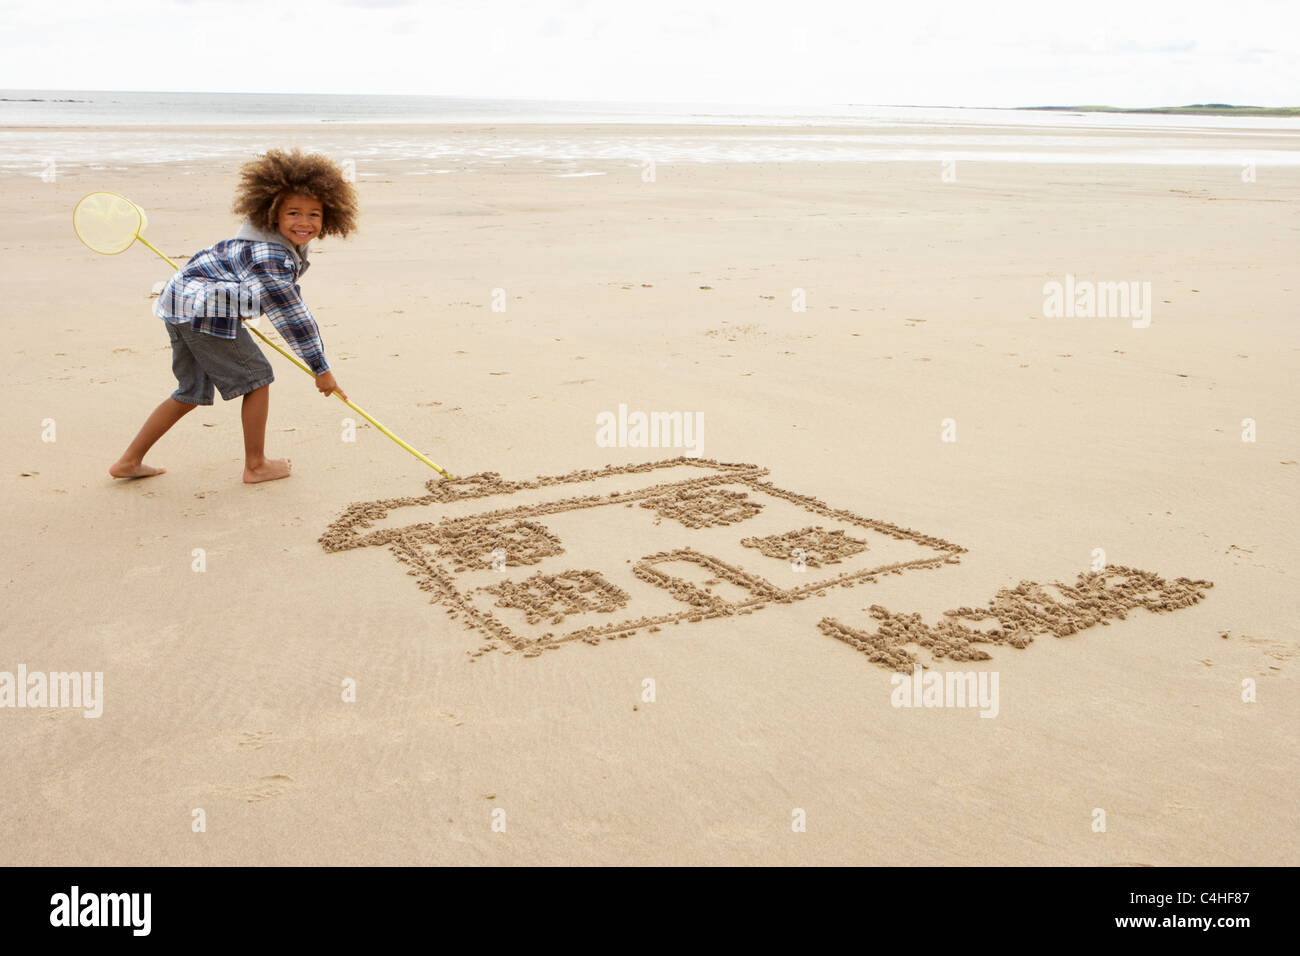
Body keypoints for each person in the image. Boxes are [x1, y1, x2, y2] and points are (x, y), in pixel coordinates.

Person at [109, 148, 357, 483]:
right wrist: (321, 369)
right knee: (258, 378)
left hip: (179, 303)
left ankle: (129, 461)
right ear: (272, 214)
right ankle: (256, 466)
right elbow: (291, 315)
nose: (304, 222)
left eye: (314, 214)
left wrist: (236, 310)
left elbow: (236, 280)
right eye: (293, 213)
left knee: (190, 390)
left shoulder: (265, 240)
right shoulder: (269, 254)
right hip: (202, 310)